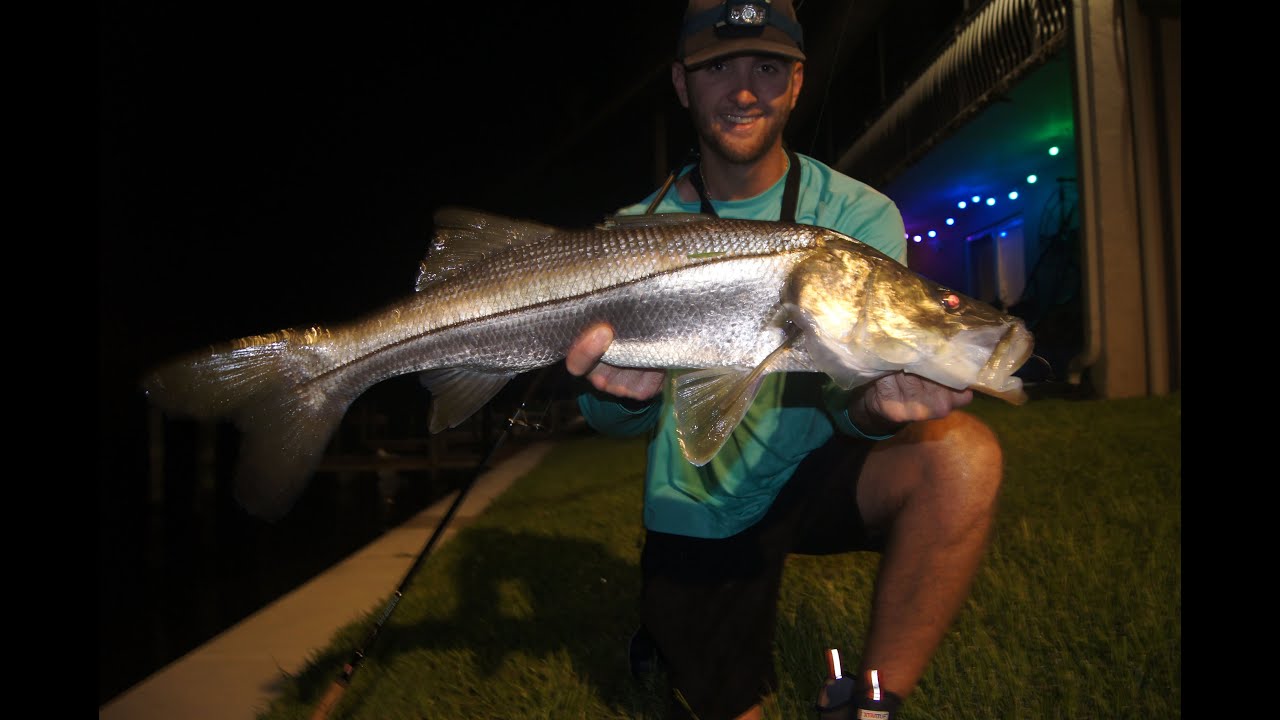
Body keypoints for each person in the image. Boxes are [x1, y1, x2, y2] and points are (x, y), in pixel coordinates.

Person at [565, 2, 1004, 719]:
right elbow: (605, 419)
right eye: (717, 67)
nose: (743, 89)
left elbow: (848, 403)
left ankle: (873, 703)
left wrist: (876, 404)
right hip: (703, 492)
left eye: (767, 67)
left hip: (817, 468)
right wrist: (624, 396)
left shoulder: (860, 217)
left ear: (797, 82)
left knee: (963, 457)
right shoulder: (629, 236)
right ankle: (668, 626)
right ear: (681, 83)